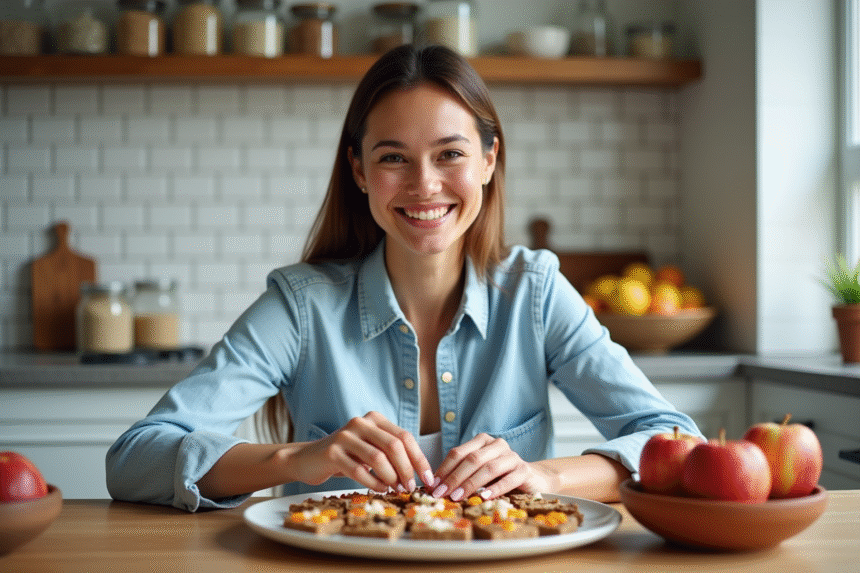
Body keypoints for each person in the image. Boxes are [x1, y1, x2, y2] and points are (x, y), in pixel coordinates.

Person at [106, 45, 702, 512]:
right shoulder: (299, 307)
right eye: (393, 157)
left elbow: (678, 443)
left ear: (489, 162)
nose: (424, 185)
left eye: (450, 154)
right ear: (359, 170)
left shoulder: (536, 291)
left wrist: (540, 475)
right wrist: (296, 459)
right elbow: (134, 460)